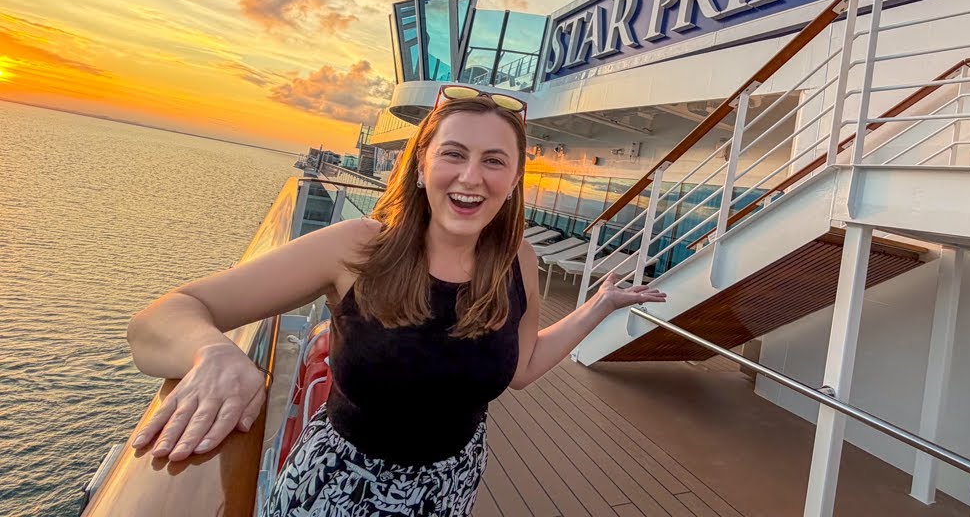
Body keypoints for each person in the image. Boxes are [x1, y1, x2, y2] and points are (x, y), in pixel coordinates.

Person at [126, 85, 666, 515]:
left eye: (494, 160)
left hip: (451, 486)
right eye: (453, 154)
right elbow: (161, 317)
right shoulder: (361, 247)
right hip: (339, 494)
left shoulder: (514, 258)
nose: (471, 177)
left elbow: (521, 368)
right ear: (422, 162)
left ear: (517, 176)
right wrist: (213, 354)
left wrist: (599, 307)